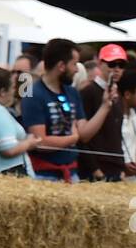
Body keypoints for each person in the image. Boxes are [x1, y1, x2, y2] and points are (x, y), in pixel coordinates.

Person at [22, 38, 114, 183]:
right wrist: (72, 138)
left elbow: (84, 134)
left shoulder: (72, 92)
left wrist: (105, 106)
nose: (77, 69)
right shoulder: (33, 94)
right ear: (61, 66)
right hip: (44, 176)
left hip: (72, 174)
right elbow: (40, 142)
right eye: (74, 64)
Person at [79, 43, 129, 181]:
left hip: (115, 167)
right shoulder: (88, 92)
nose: (117, 69)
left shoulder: (117, 94)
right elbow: (82, 136)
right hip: (96, 169)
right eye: (112, 64)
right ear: (100, 63)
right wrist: (94, 168)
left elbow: (116, 134)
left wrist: (121, 167)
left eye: (121, 65)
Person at [0, 67, 40, 175]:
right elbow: (8, 149)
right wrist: (29, 142)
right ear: (2, 92)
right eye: (13, 87)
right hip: (7, 176)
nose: (14, 91)